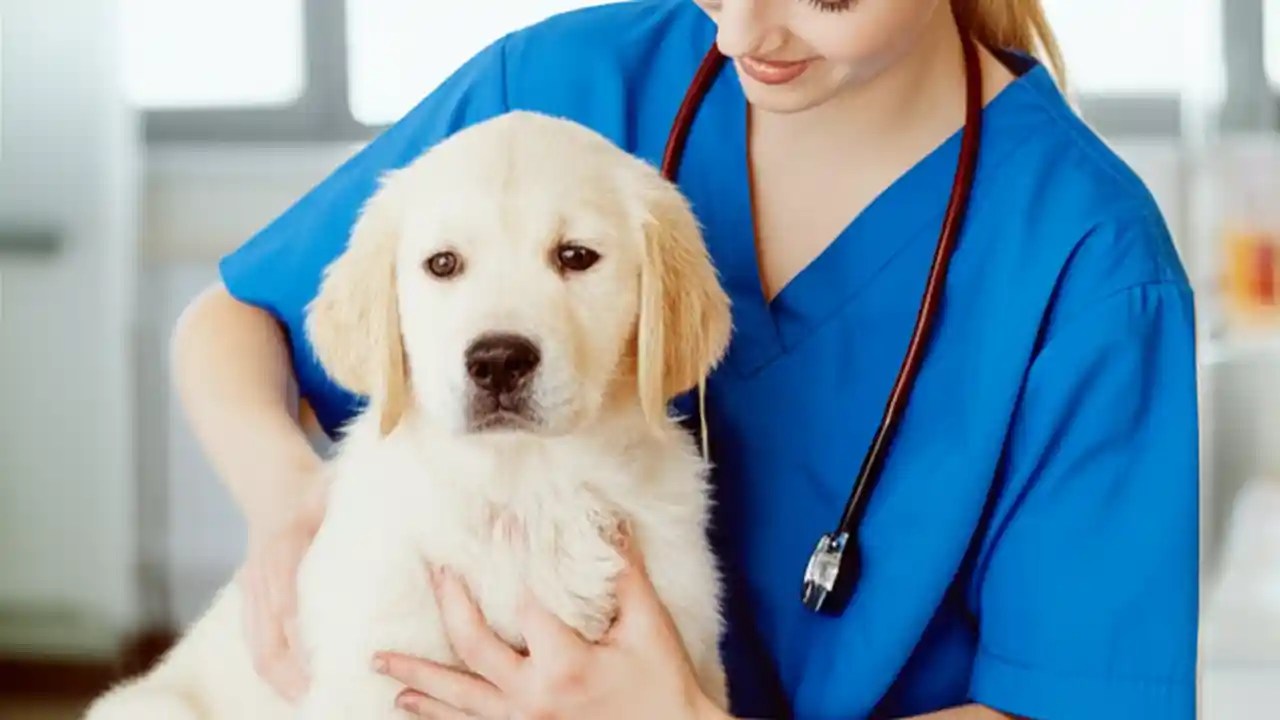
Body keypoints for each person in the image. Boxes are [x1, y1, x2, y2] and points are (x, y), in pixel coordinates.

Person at [171, 0, 1200, 718]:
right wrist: (289, 501)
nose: (743, 32)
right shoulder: (564, 84)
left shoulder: (1086, 264)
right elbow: (234, 319)